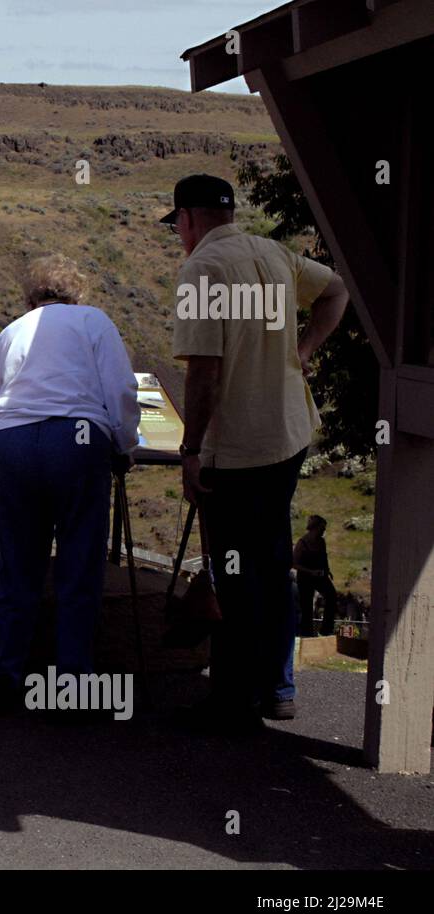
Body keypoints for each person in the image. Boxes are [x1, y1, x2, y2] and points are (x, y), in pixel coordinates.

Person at [166, 173, 349, 729]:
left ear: (190, 219)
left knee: (234, 568)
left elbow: (203, 373)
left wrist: (191, 449)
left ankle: (233, 698)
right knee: (271, 563)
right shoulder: (273, 255)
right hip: (288, 433)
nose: (179, 233)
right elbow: (336, 288)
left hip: (237, 447)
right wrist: (305, 349)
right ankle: (278, 688)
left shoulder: (202, 269)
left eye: (178, 223)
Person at [0, 254, 140, 713]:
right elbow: (121, 390)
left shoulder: (11, 332)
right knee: (79, 562)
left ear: (32, 297)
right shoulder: (93, 321)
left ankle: (3, 675)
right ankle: (71, 685)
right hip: (77, 436)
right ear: (76, 292)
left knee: (18, 562)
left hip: (14, 439)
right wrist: (123, 443)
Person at [294, 515, 336, 637]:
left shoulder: (321, 542)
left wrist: (327, 570)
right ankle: (307, 634)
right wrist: (310, 572)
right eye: (322, 528)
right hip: (305, 578)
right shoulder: (302, 543)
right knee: (306, 606)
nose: (324, 530)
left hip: (320, 576)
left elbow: (324, 556)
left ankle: (326, 629)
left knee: (331, 596)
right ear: (315, 527)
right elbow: (294, 564)